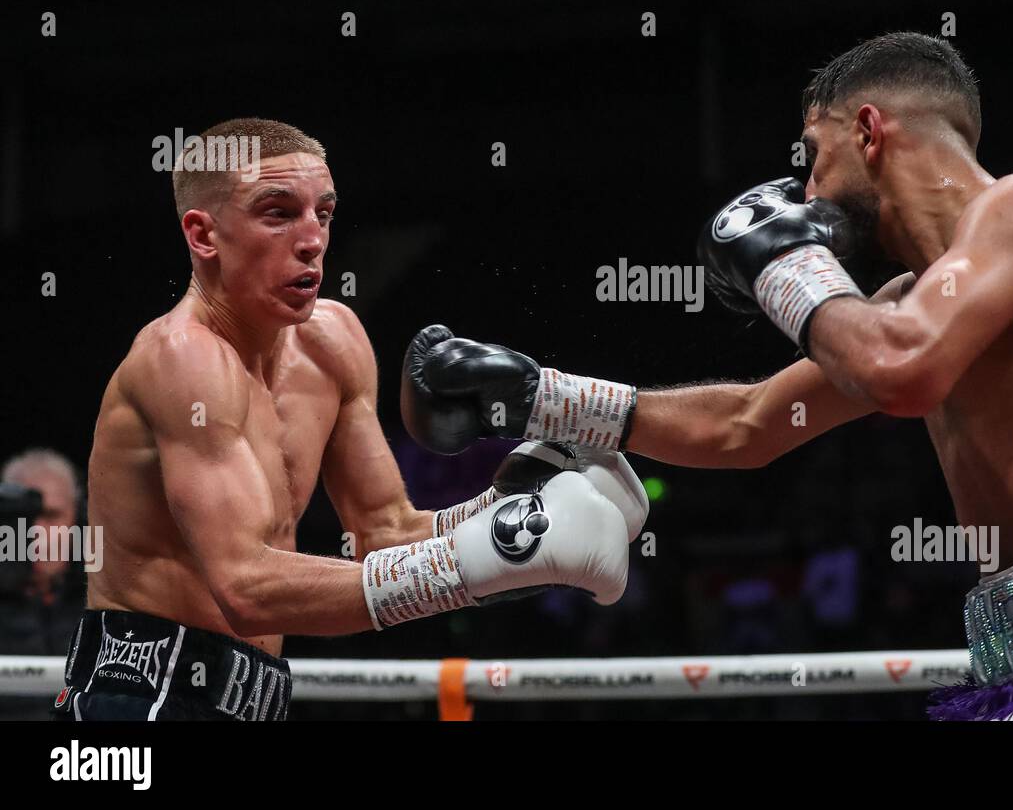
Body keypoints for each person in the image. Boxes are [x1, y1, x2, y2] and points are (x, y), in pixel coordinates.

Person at [401, 33, 1013, 721]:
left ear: (868, 129)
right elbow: (746, 426)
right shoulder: (902, 309)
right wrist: (531, 393)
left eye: (811, 156)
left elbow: (902, 373)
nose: (805, 191)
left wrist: (786, 267)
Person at [57, 119, 646, 721]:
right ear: (204, 234)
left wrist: (504, 508)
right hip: (136, 698)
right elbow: (244, 587)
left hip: (255, 698)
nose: (312, 238)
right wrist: (475, 564)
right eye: (278, 212)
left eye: (325, 213)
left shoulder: (333, 342)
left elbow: (387, 531)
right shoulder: (178, 359)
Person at [0, 449, 86, 719]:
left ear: (77, 518)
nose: (35, 532)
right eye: (21, 518)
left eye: (51, 516)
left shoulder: (105, 603)